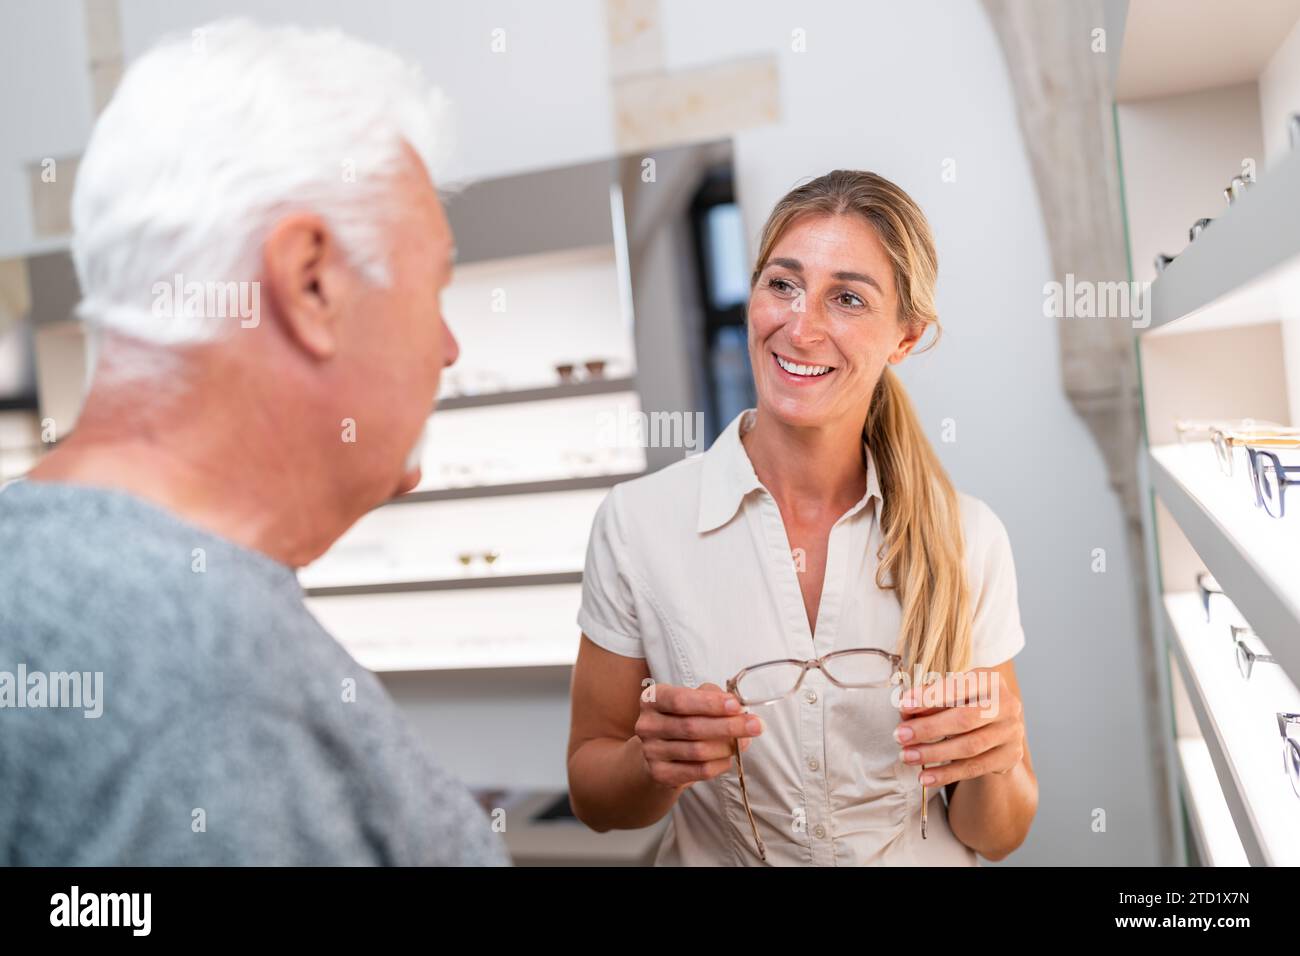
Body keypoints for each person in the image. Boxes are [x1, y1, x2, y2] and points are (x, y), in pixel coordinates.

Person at [0, 20, 507, 866]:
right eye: (434, 287)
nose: (448, 347)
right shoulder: (209, 683)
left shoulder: (44, 568)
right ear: (311, 282)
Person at [567, 170, 1037, 865]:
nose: (801, 324)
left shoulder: (969, 538)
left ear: (906, 337)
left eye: (846, 298)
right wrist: (651, 761)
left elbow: (995, 835)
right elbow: (594, 794)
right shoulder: (638, 524)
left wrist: (996, 761)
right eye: (782, 284)